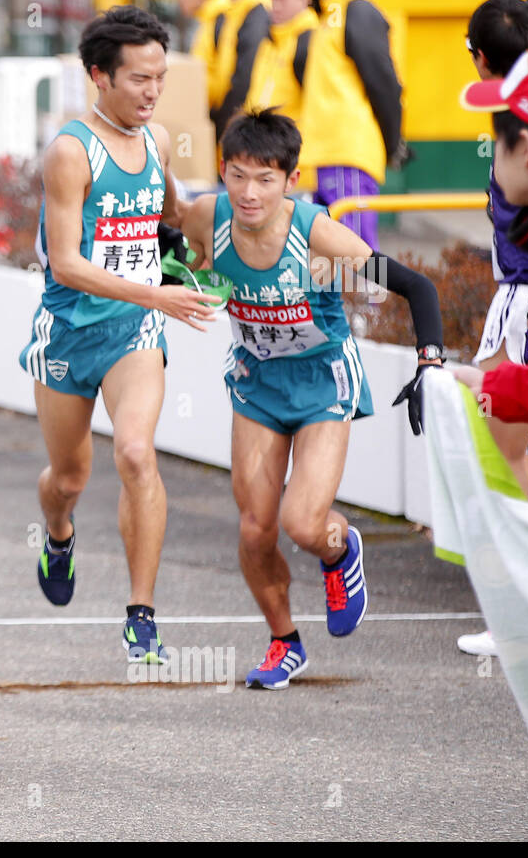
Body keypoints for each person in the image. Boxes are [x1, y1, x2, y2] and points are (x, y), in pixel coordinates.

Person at [180, 109, 444, 689]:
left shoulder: (317, 232)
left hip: (324, 384)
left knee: (303, 523)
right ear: (222, 171)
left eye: (266, 179)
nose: (250, 193)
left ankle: (339, 548)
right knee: (254, 528)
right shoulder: (206, 215)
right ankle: (283, 642)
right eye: (239, 176)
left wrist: (430, 362)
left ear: (291, 181)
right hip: (256, 384)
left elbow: (415, 286)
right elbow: (175, 259)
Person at [19, 6, 214, 664]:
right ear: (98, 76)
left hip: (135, 331)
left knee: (135, 453)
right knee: (69, 477)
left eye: (160, 77)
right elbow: (68, 264)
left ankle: (142, 615)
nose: (152, 91)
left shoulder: (155, 142)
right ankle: (58, 533)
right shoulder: (70, 153)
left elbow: (170, 213)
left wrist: (221, 235)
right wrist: (157, 289)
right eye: (138, 79)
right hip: (71, 333)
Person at [452, 0, 528, 658]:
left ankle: (518, 606)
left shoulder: (519, 125)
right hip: (514, 301)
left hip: (523, 303)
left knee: (508, 449)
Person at [296, 0, 404, 250]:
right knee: (328, 255)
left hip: (347, 153)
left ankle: (373, 296)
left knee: (357, 250)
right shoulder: (327, 12)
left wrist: (393, 142)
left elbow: (385, 84)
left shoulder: (357, 10)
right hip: (324, 153)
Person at [244, 0, 317, 126]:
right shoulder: (271, 39)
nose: (275, 5)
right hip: (261, 142)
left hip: (290, 145)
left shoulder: (309, 42)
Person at [207, 0, 271, 144]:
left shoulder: (257, 12)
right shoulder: (232, 9)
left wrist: (225, 116)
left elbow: (245, 73)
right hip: (229, 111)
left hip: (241, 117)